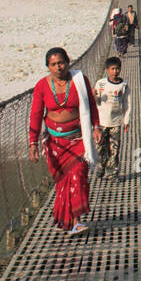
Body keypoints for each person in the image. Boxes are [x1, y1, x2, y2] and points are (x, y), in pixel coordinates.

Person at [29, 47, 100, 236]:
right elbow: (36, 114)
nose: (58, 67)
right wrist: (32, 144)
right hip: (55, 143)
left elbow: (91, 104)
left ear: (68, 62)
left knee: (78, 173)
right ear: (48, 67)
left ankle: (75, 221)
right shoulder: (42, 86)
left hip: (78, 138)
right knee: (63, 181)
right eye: (53, 64)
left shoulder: (80, 80)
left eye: (61, 62)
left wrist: (96, 126)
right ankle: (66, 220)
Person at [94, 56, 129, 177]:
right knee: (100, 147)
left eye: (117, 69)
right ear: (107, 70)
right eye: (112, 69)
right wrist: (95, 96)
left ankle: (112, 173)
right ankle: (100, 167)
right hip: (102, 121)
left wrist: (126, 120)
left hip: (116, 122)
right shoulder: (101, 83)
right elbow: (96, 101)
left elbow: (127, 103)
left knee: (114, 149)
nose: (115, 71)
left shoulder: (123, 85)